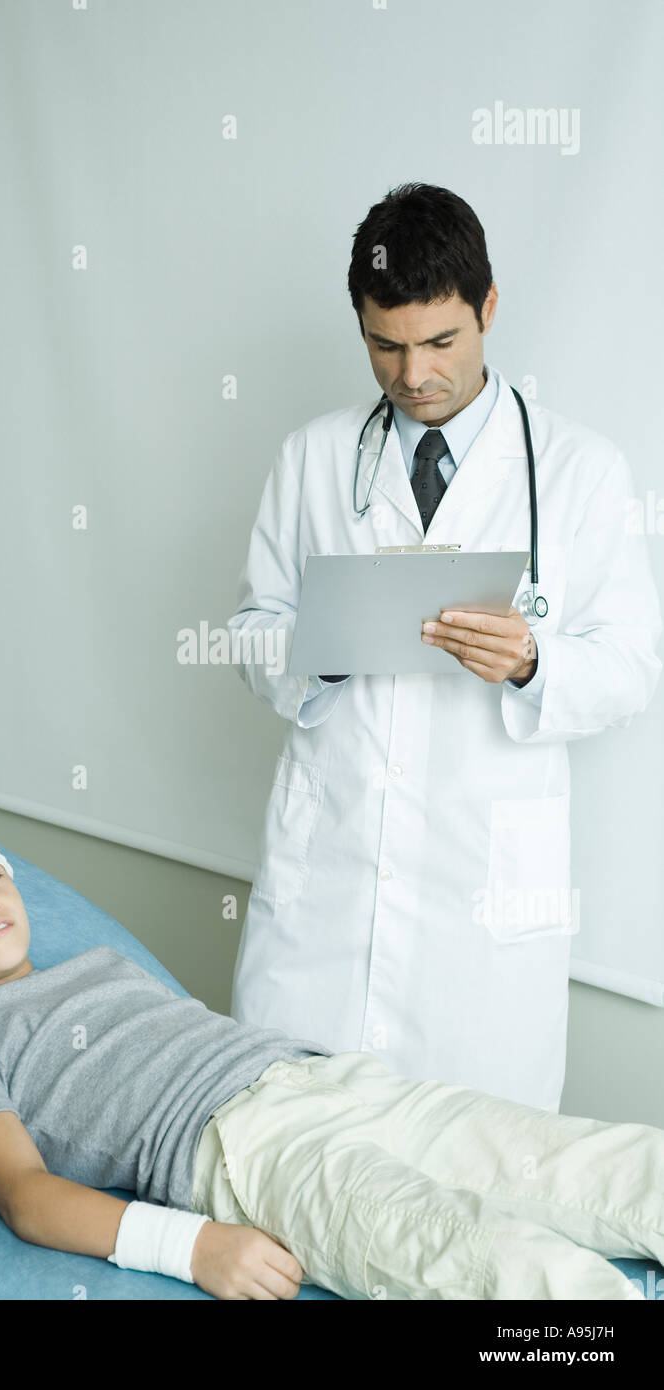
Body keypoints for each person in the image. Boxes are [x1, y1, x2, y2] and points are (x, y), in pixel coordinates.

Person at [0, 803, 664, 1301]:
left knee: (611, 1165)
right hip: (243, 1151)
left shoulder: (102, 963)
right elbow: (25, 1197)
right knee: (492, 1262)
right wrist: (193, 1246)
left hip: (335, 1081)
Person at [226, 182, 661, 1112]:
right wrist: (322, 650)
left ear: (487, 309)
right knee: (289, 1159)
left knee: (469, 1187)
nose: (412, 374)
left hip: (482, 910)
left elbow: (635, 662)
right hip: (325, 892)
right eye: (384, 345)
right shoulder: (311, 458)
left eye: (438, 342)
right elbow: (249, 632)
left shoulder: (581, 471)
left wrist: (535, 661)